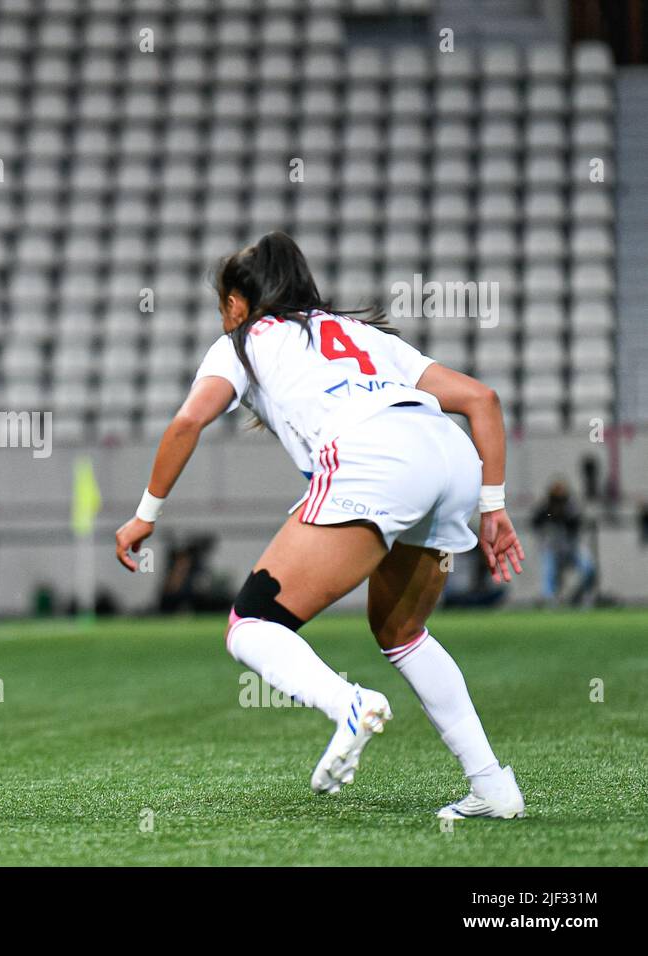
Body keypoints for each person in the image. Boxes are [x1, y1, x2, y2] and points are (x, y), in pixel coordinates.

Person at [115, 232, 527, 820]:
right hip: (451, 455)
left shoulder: (241, 342)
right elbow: (482, 399)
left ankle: (348, 704)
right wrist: (493, 505)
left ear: (236, 303)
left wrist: (143, 516)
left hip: (373, 459)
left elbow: (186, 423)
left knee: (251, 623)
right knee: (401, 630)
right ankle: (492, 786)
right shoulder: (363, 335)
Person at [532, 479, 596, 606]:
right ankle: (550, 601)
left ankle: (580, 597)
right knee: (549, 571)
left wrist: (562, 514)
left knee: (588, 568)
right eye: (556, 499)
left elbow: (576, 522)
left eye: (560, 499)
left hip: (571, 547)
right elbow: (535, 521)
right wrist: (550, 513)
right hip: (552, 548)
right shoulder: (546, 509)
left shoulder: (571, 508)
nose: (558, 503)